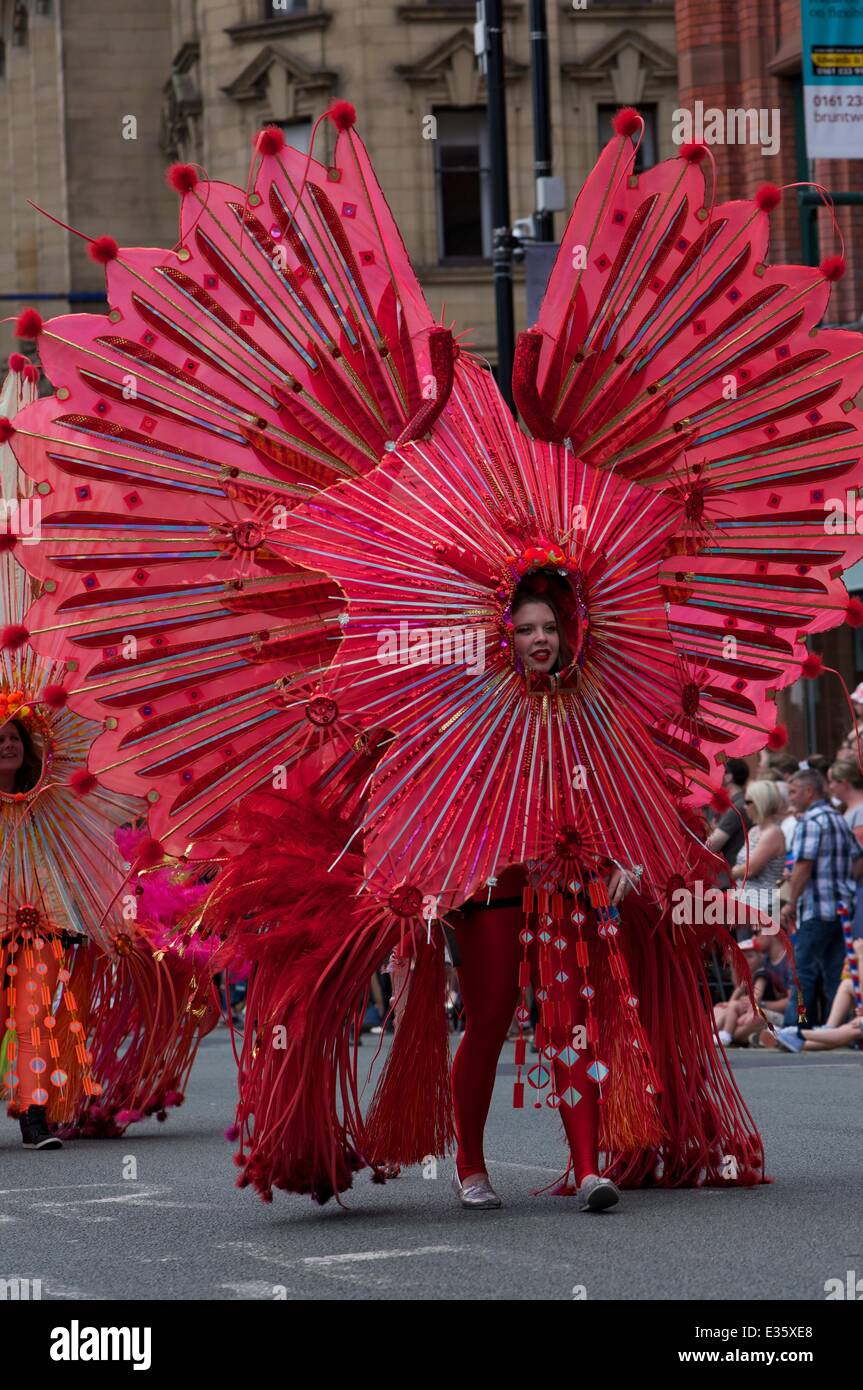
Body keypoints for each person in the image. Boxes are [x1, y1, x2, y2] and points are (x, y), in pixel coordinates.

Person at [780, 769, 863, 1026]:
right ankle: (836, 1028)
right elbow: (858, 855)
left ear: (809, 791)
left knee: (802, 971)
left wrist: (791, 902)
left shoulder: (811, 821)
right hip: (841, 908)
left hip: (817, 909)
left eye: (794, 792)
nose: (791, 798)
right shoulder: (838, 819)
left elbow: (804, 865)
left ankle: (797, 1025)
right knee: (834, 973)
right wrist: (844, 885)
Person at [728, 779, 787, 931]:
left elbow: (750, 870)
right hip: (747, 904)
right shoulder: (755, 831)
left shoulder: (772, 833)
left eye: (748, 802)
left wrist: (731, 872)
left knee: (754, 952)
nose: (744, 806)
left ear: (760, 803)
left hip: (762, 906)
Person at [707, 758, 752, 874]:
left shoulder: (736, 808)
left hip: (730, 877)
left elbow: (712, 845)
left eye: (718, 772)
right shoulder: (738, 803)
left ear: (728, 777)